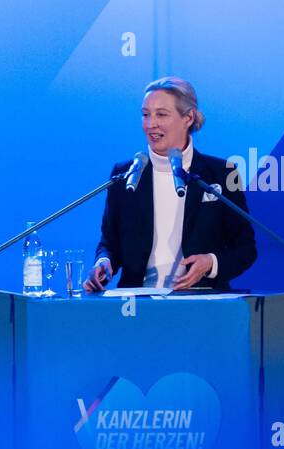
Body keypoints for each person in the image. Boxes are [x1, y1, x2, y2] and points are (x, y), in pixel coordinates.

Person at [84, 77, 257, 293]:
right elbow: (109, 243)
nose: (150, 124)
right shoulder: (126, 174)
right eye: (145, 115)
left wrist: (210, 263)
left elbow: (245, 249)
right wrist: (103, 262)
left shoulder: (221, 174)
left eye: (161, 114)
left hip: (200, 303)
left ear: (188, 117)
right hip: (137, 305)